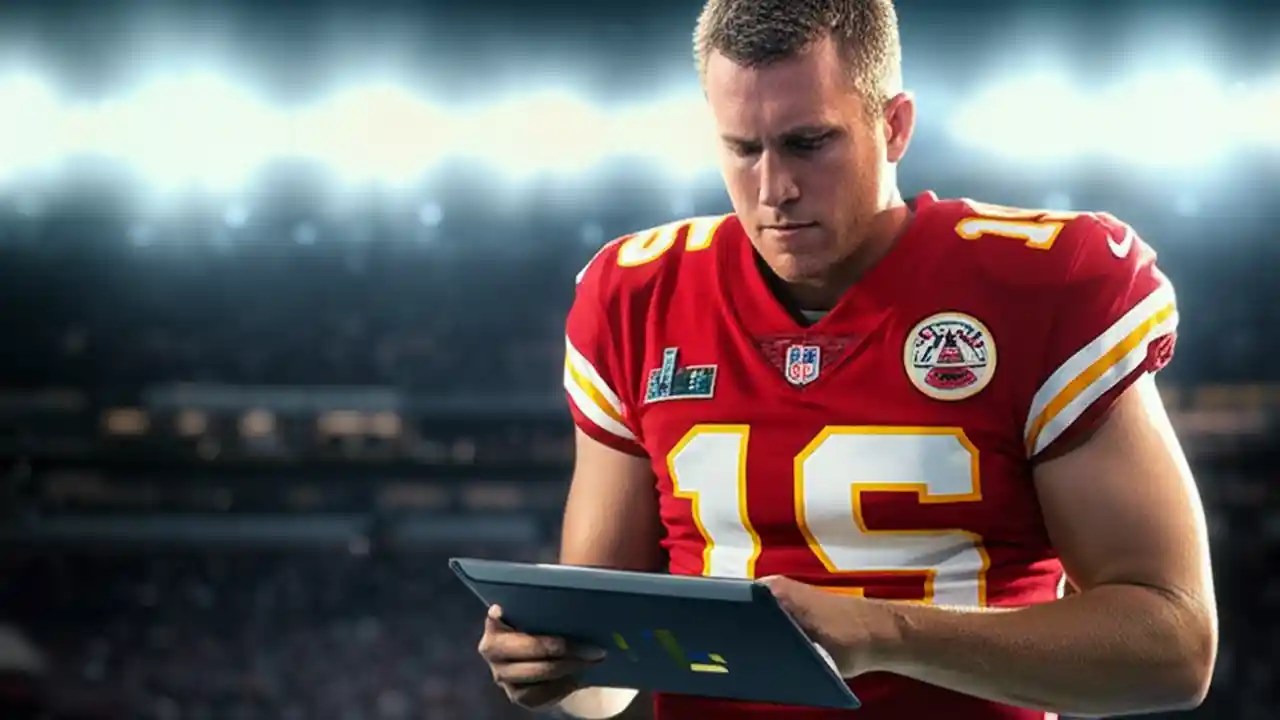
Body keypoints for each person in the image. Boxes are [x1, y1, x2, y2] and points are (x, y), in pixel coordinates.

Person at [477, 0, 1218, 717]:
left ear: (893, 126)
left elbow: (1174, 648)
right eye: (743, 148)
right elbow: (606, 680)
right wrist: (555, 667)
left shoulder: (1045, 283)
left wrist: (880, 631)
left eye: (808, 142)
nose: (775, 190)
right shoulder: (636, 294)